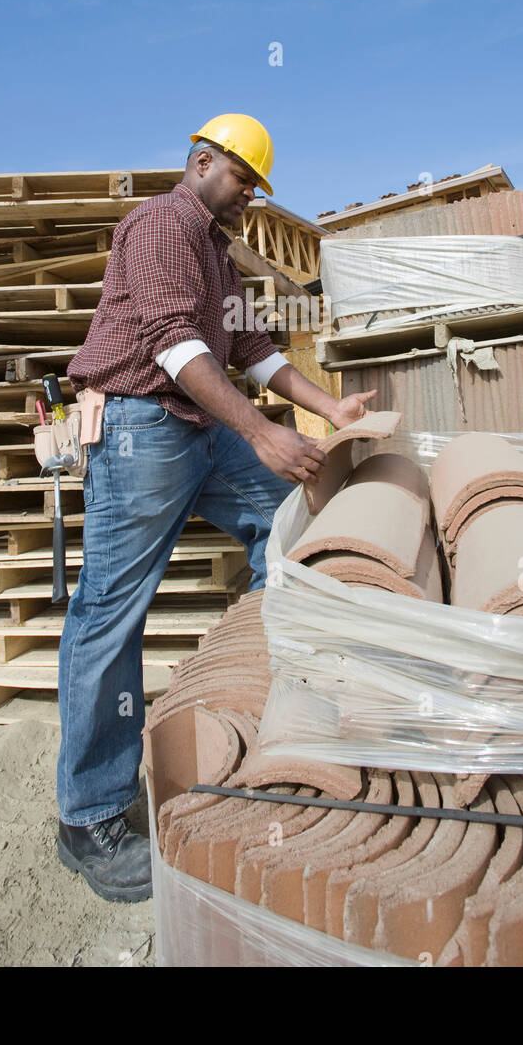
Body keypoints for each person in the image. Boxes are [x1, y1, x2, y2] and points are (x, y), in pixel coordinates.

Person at [56, 113, 375, 901]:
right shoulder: (162, 224)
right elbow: (173, 343)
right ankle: (87, 814)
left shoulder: (216, 251)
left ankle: (254, 697)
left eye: (256, 188)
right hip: (142, 430)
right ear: (202, 163)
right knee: (109, 613)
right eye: (241, 181)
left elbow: (252, 348)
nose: (248, 199)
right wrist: (261, 431)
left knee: (292, 527)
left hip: (198, 425)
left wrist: (328, 410)